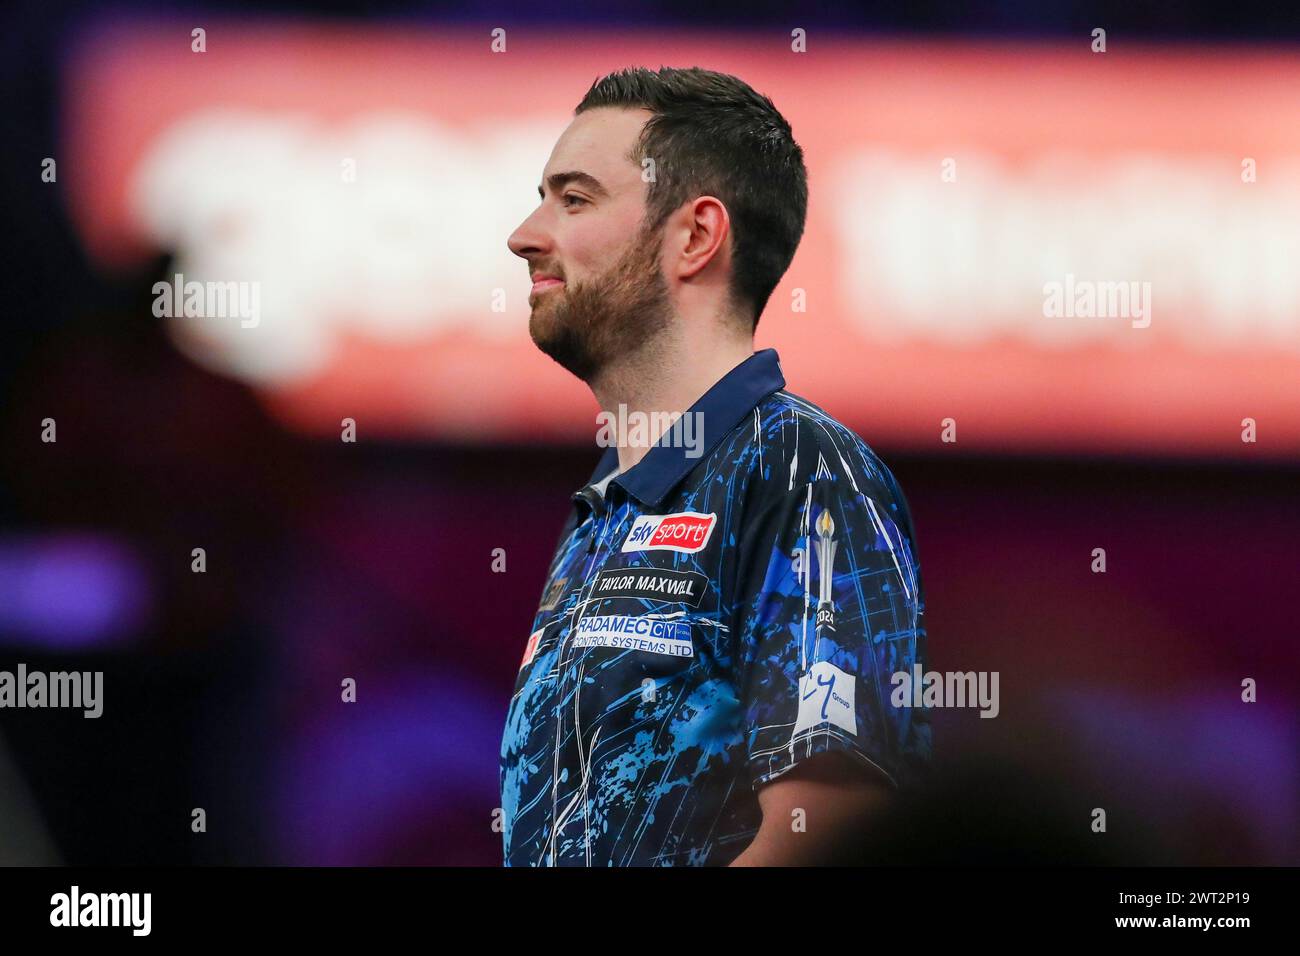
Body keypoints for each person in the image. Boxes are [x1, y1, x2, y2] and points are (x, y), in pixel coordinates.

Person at [500, 66, 930, 866]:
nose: (525, 234)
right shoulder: (607, 505)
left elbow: (829, 828)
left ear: (695, 236)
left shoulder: (801, 468)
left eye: (575, 197)